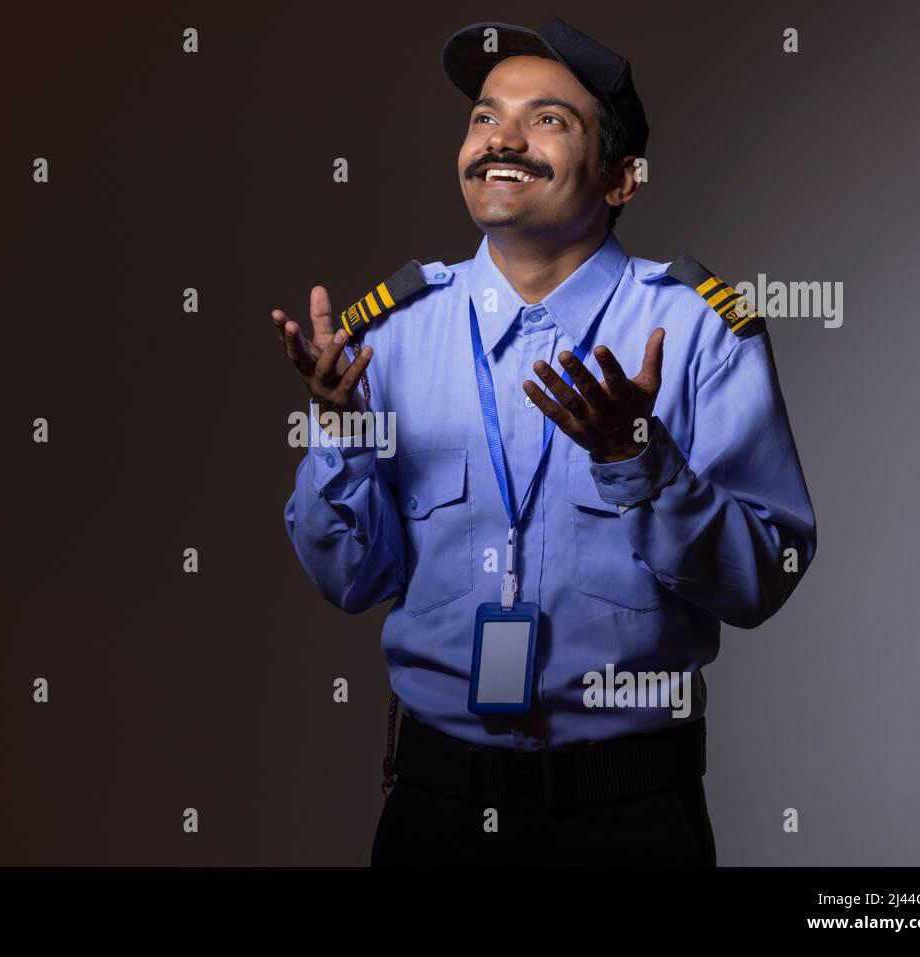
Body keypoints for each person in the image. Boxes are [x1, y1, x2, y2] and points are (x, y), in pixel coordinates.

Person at [272, 15, 816, 867]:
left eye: (548, 120)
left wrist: (639, 459)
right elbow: (349, 579)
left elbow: (760, 581)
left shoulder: (700, 330)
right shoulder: (391, 334)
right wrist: (341, 431)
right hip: (436, 811)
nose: (502, 140)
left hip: (632, 815)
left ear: (622, 179)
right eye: (485, 117)